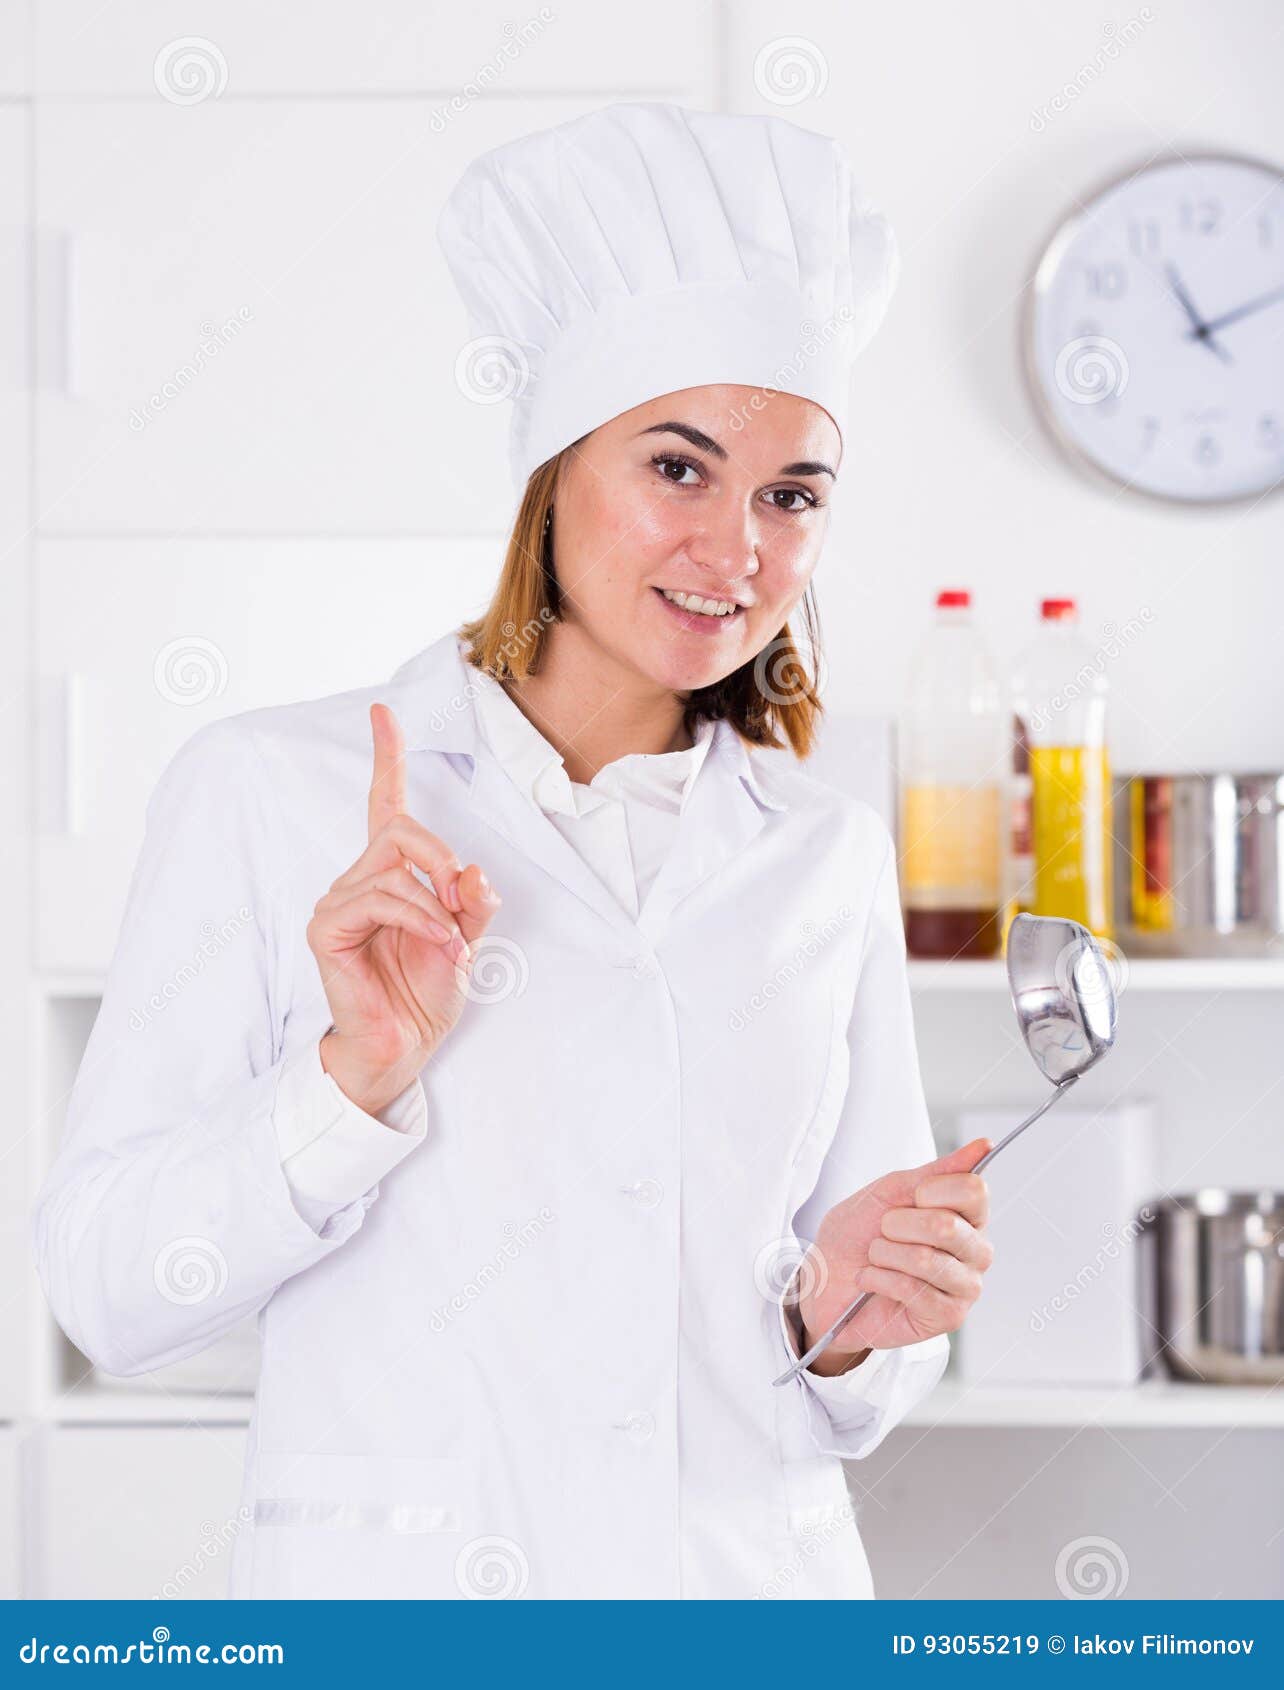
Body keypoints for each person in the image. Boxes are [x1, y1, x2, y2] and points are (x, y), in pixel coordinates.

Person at [32, 100, 993, 1601]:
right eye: (678, 468)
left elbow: (842, 1354)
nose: (737, 549)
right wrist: (347, 1083)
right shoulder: (272, 795)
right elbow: (108, 1293)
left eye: (791, 495)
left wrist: (850, 1319)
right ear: (553, 475)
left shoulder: (824, 853)